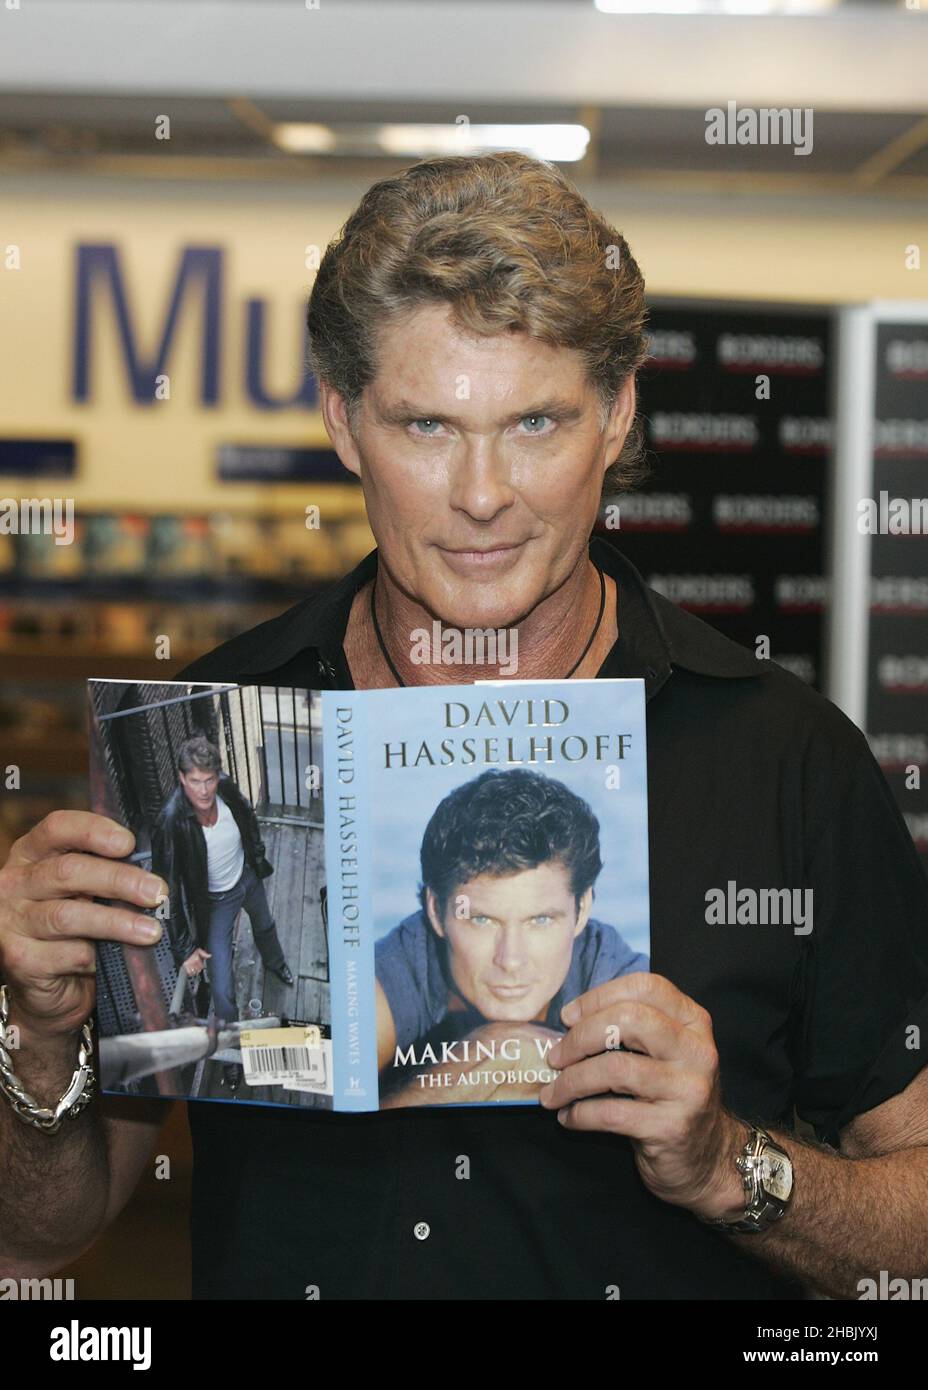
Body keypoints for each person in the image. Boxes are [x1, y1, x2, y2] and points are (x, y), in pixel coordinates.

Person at [1, 151, 927, 1301]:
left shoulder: (782, 759)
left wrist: (725, 1164)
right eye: (427, 426)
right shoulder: (217, 720)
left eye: (535, 421)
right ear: (343, 421)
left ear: (618, 412)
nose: (483, 493)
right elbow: (41, 1236)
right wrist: (40, 1034)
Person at [374, 767, 650, 1103]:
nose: (511, 960)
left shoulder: (617, 983)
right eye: (482, 920)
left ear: (582, 908)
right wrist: (492, 1053)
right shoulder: (396, 969)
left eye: (541, 920)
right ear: (436, 911)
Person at [149, 735, 294, 1090]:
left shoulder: (225, 789)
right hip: (215, 903)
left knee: (265, 924)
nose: (204, 789)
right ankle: (231, 1054)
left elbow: (247, 817)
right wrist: (184, 949)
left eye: (209, 779)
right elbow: (165, 891)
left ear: (217, 775)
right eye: (195, 780)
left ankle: (277, 964)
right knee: (223, 989)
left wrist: (256, 856)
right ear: (182, 778)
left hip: (246, 877)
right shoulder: (171, 823)